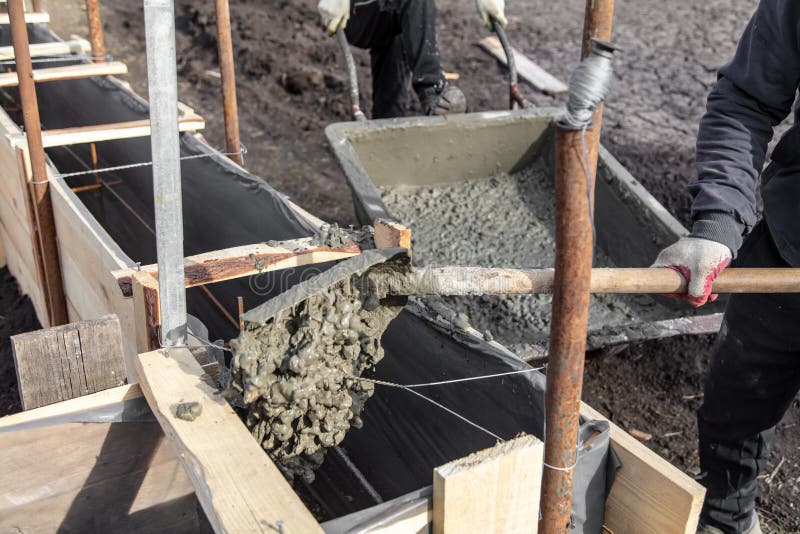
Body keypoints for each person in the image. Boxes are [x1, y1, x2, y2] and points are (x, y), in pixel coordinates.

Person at [651, 1, 800, 532]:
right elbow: (745, 102)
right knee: (734, 405)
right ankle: (727, 517)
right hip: (789, 249)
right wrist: (716, 224)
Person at [317, 0, 506, 118]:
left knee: (401, 37)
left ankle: (388, 131)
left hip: (394, 13)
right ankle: (433, 88)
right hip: (349, 12)